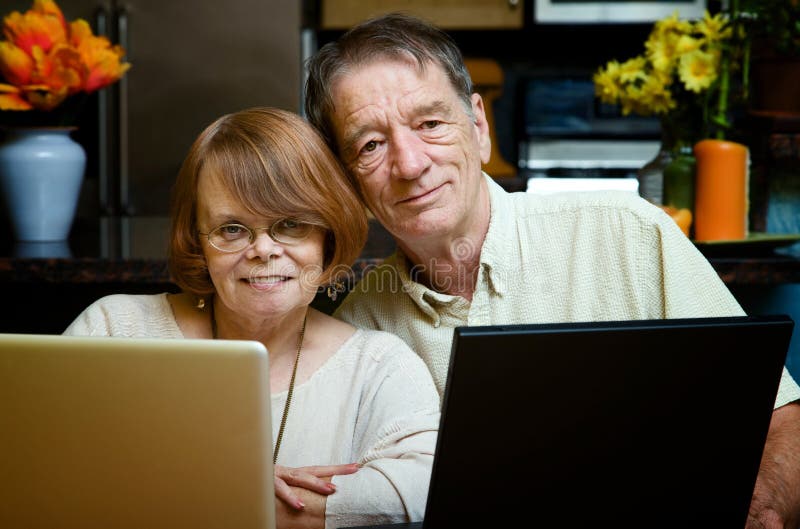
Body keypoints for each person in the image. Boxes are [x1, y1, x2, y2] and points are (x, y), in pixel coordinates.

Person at [304, 13, 800, 529]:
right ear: (346, 180)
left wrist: (761, 506)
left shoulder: (628, 232)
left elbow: (781, 417)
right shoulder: (355, 333)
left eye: (430, 124)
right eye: (371, 145)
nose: (409, 164)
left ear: (478, 127)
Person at [64, 107, 439, 529]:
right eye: (231, 229)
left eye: (291, 223)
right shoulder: (114, 330)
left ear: (326, 236)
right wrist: (234, 489)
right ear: (198, 241)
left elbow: (429, 485)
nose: (263, 250)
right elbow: (47, 469)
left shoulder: (379, 365)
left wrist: (195, 497)